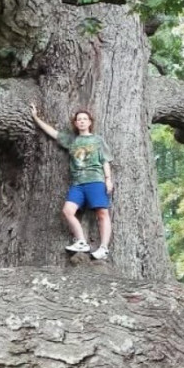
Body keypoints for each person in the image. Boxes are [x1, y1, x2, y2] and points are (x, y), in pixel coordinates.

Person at [30, 102, 113, 260]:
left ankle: (104, 248)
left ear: (89, 122)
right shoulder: (72, 141)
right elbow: (53, 133)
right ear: (75, 123)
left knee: (102, 213)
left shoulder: (97, 140)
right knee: (67, 211)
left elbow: (105, 161)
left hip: (95, 180)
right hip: (77, 184)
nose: (81, 121)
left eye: (84, 119)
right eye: (79, 119)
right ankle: (81, 241)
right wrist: (35, 118)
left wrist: (108, 180)